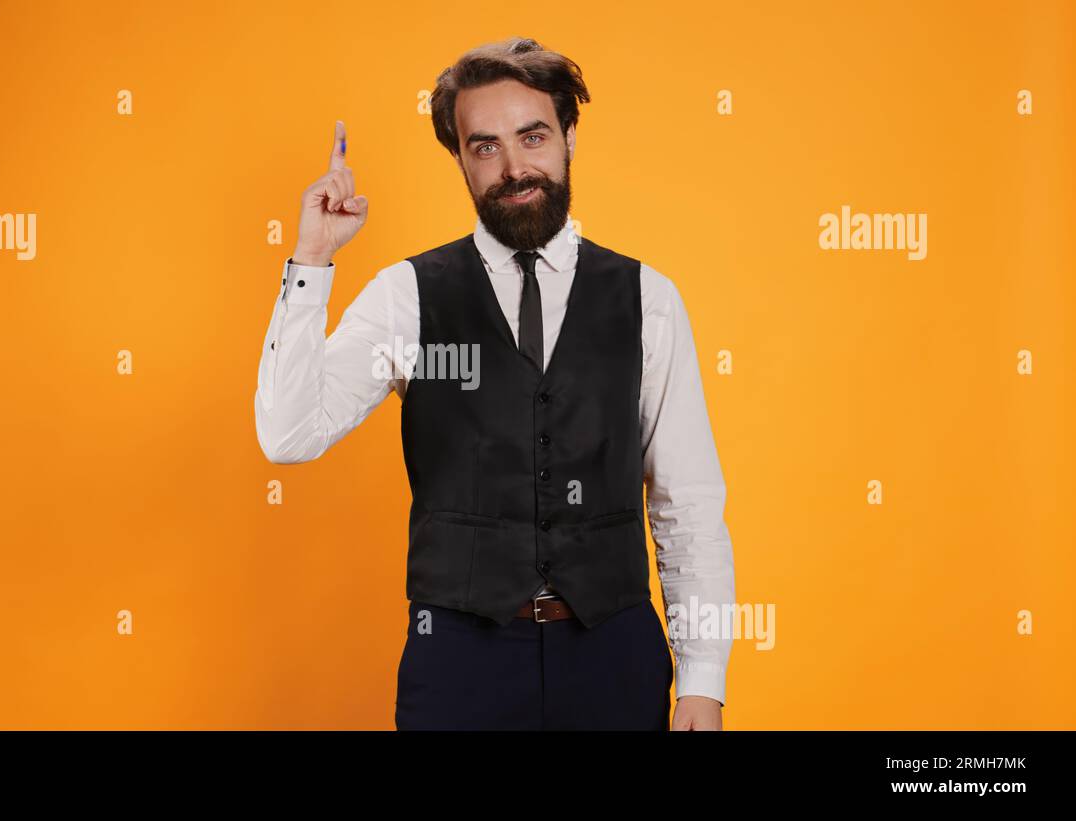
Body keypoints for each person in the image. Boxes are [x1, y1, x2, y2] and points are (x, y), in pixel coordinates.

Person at [254, 37, 735, 730]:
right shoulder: (407, 296)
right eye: (485, 147)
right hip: (457, 663)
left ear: (569, 137)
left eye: (533, 137)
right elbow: (288, 434)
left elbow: (687, 504)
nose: (514, 168)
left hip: (613, 655)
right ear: (460, 158)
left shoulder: (648, 299)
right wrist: (311, 259)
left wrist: (703, 679)